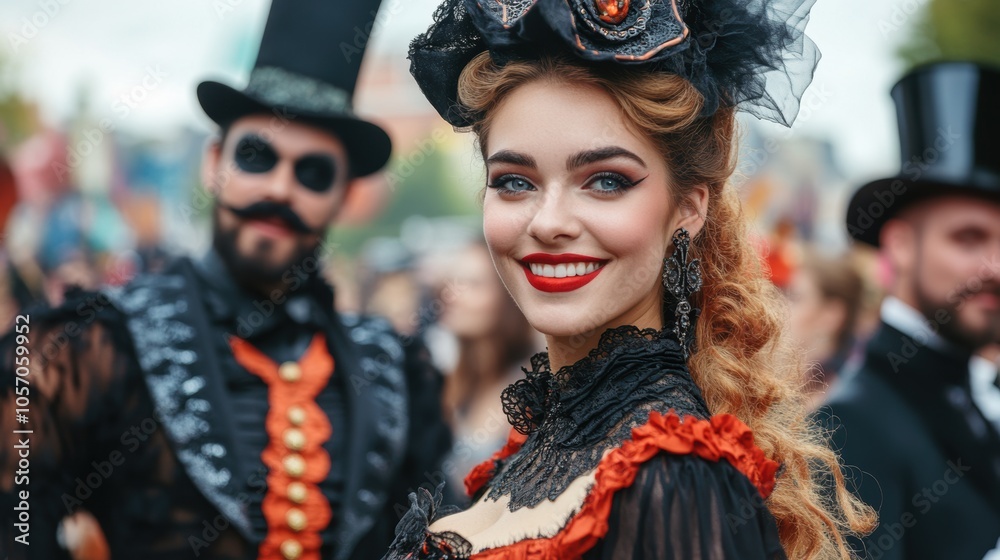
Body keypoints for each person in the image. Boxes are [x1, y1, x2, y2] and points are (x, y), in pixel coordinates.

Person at [384, 1, 875, 558]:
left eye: (606, 181)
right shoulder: (535, 448)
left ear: (688, 209)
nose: (548, 222)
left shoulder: (674, 486)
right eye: (515, 182)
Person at [0, 1, 451, 558]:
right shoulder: (87, 346)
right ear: (214, 163)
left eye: (313, 172)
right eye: (257, 157)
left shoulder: (396, 371)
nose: (280, 189)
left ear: (342, 197)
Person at [825, 61, 1000, 559]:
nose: (996, 266)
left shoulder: (970, 395)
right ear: (900, 245)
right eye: (969, 238)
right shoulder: (847, 423)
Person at [437, 241, 537, 496]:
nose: (451, 296)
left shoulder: (533, 388)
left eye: (473, 284)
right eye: (452, 282)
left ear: (508, 297)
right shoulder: (452, 381)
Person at [786, 249, 864, 410]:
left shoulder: (840, 396)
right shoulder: (782, 373)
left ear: (831, 316)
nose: (781, 307)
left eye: (795, 298)